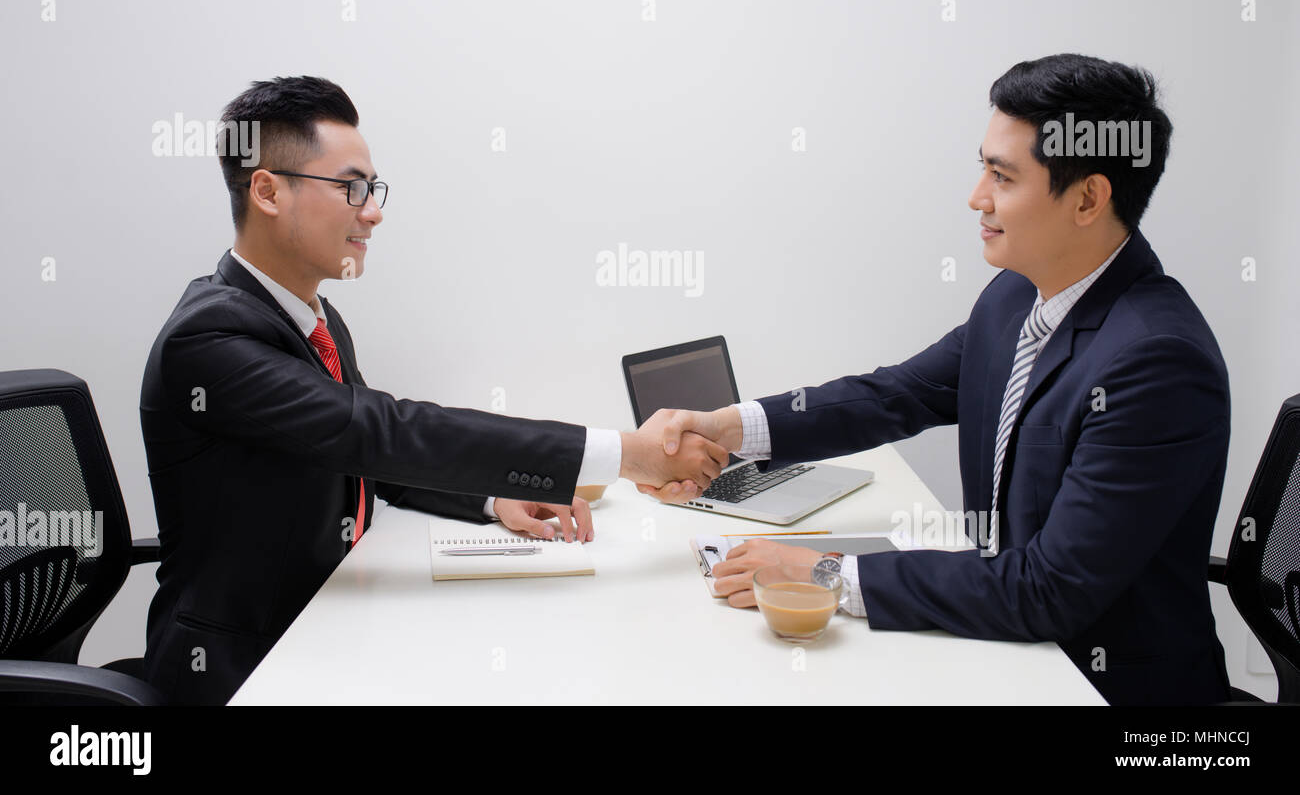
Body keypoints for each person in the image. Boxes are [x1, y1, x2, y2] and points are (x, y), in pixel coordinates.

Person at [644, 54, 1232, 705]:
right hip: (1010, 651)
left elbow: (1049, 590)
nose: (977, 195)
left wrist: (826, 572)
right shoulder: (1015, 295)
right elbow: (898, 393)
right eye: (983, 165)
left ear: (1089, 197)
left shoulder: (1158, 362)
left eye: (1002, 176)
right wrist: (727, 428)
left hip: (1103, 689)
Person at [139, 76, 726, 704]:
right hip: (244, 664)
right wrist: (626, 453)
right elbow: (379, 431)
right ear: (268, 191)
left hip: (333, 620)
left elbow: (366, 456)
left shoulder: (313, 318)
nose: (373, 210)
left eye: (373, 189)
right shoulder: (208, 339)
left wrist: (491, 501)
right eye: (351, 187)